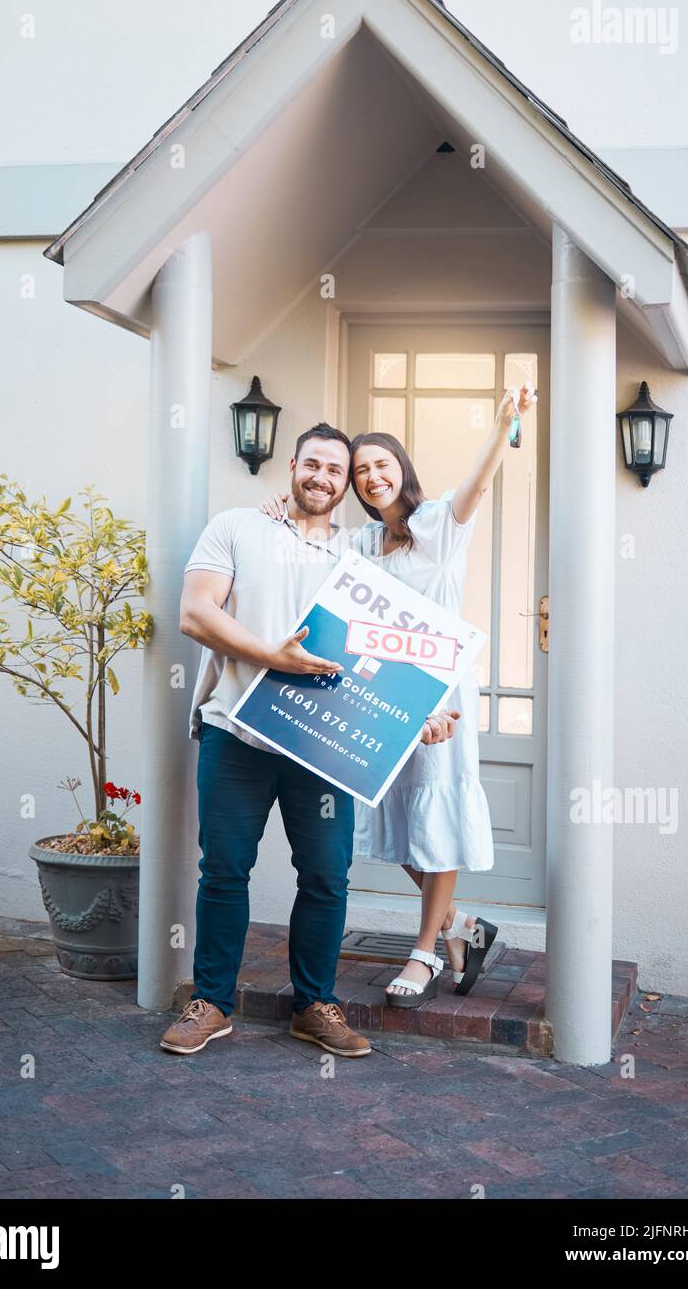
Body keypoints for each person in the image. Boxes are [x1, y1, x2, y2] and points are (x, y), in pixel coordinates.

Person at [160, 421, 458, 1058]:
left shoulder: (362, 556)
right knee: (223, 873)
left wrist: (419, 714)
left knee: (326, 878)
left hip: (319, 747)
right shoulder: (238, 526)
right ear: (291, 466)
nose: (323, 478)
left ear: (348, 486)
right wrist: (274, 657)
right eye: (313, 465)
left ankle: (314, 1005)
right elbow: (196, 613)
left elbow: (391, 646)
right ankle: (211, 1001)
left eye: (337, 471)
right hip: (234, 733)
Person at [259, 384, 536, 1008]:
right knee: (397, 824)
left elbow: (479, 485)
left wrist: (502, 428)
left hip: (437, 697)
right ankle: (462, 925)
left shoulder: (435, 525)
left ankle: (424, 954)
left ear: (401, 469)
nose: (371, 476)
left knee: (433, 815)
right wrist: (282, 513)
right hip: (378, 697)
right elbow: (308, 553)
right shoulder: (359, 543)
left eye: (381, 464)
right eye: (361, 472)